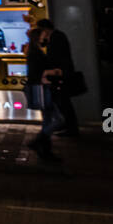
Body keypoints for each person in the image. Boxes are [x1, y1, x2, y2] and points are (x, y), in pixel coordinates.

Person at [35, 17, 80, 138]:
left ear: (45, 29)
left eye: (40, 30)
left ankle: (72, 128)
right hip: (58, 73)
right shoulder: (56, 36)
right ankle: (66, 124)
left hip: (61, 74)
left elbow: (55, 57)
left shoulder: (57, 37)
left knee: (64, 102)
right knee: (61, 101)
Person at [26, 25, 66, 161]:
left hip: (43, 88)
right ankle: (39, 141)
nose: (46, 39)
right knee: (59, 119)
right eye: (44, 37)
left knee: (48, 119)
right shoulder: (35, 53)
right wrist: (52, 72)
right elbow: (36, 73)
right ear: (38, 38)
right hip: (42, 89)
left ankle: (45, 151)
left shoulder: (36, 52)